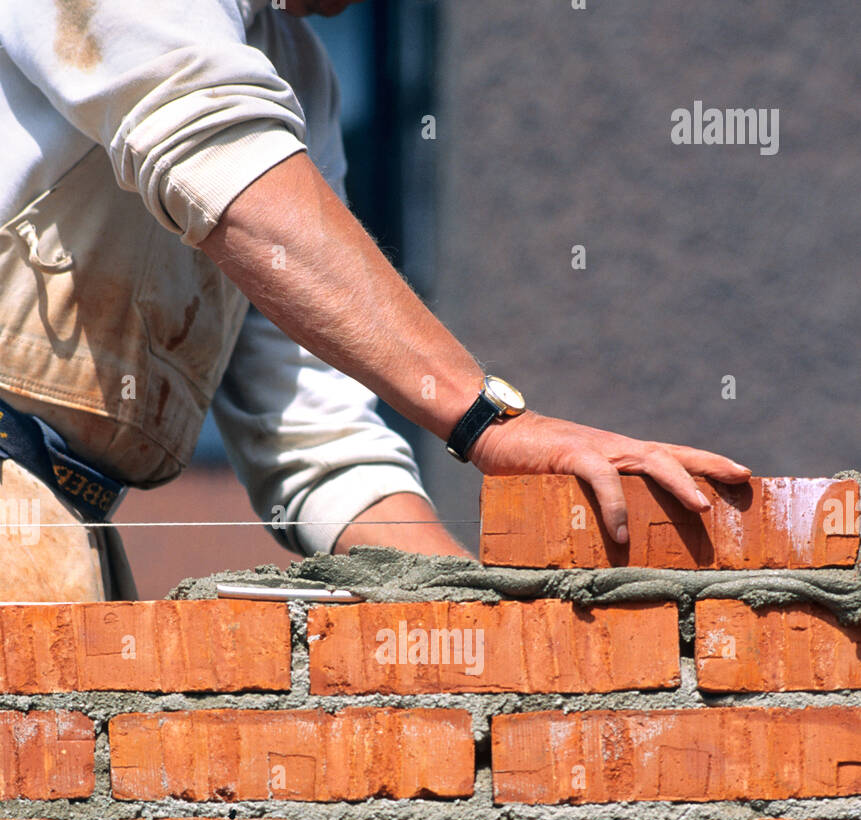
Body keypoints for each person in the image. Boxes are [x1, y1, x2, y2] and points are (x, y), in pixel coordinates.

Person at [0, 0, 750, 601]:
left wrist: (480, 617)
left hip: (57, 533)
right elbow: (213, 149)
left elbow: (318, 441)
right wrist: (486, 419)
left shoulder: (294, 72)